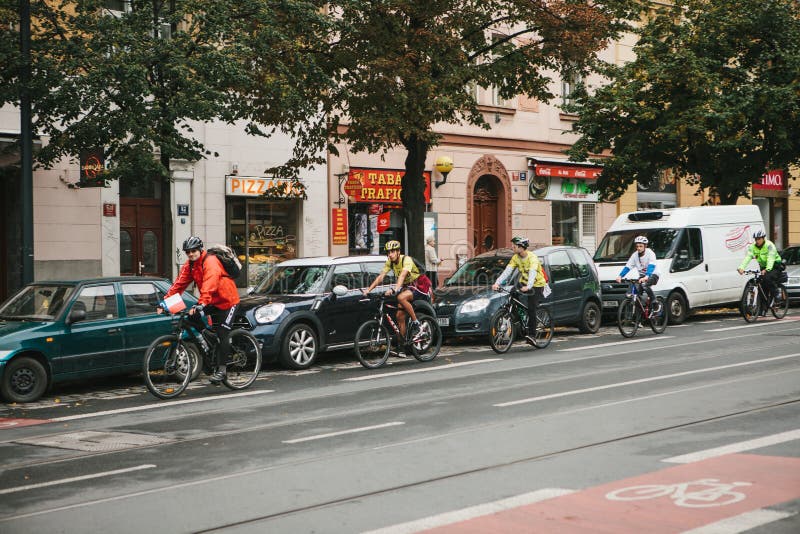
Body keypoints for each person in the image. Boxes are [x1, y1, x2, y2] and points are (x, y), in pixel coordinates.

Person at [159, 236, 240, 384]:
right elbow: (179, 285)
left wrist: (201, 303)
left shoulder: (210, 261)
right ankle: (210, 344)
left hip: (228, 301)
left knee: (223, 333)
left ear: (200, 249)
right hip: (212, 302)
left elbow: (211, 282)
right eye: (188, 252)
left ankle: (222, 370)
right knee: (191, 319)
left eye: (193, 250)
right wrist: (165, 302)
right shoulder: (190, 265)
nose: (191, 254)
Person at [363, 240, 432, 353]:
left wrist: (395, 289)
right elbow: (380, 277)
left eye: (393, 252)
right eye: (388, 252)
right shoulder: (390, 262)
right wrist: (368, 290)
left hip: (419, 285)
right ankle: (402, 346)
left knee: (401, 298)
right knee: (400, 316)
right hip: (408, 286)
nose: (390, 254)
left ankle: (416, 323)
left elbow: (402, 275)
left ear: (398, 252)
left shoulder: (406, 260)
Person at [491, 236, 546, 345]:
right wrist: (497, 283)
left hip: (536, 284)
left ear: (522, 247)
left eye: (514, 246)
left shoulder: (532, 258)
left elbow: (532, 272)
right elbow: (507, 271)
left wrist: (529, 286)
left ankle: (532, 335)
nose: (513, 248)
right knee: (512, 294)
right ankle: (520, 318)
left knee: (531, 309)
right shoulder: (515, 257)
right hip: (523, 282)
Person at [737, 229, 783, 310]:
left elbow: (770, 258)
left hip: (775, 264)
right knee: (761, 284)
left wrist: (767, 269)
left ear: (763, 238)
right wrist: (741, 267)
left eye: (759, 239)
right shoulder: (753, 247)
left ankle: (777, 294)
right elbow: (748, 257)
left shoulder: (769, 245)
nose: (757, 241)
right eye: (756, 239)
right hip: (763, 266)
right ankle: (763, 308)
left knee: (768, 278)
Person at [616, 235, 661, 316]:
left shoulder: (650, 253)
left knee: (644, 285)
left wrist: (647, 276)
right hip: (642, 276)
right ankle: (638, 319)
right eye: (637, 246)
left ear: (645, 246)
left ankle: (655, 302)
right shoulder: (634, 255)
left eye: (641, 246)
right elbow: (628, 266)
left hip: (653, 274)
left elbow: (651, 266)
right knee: (635, 295)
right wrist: (620, 276)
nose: (638, 248)